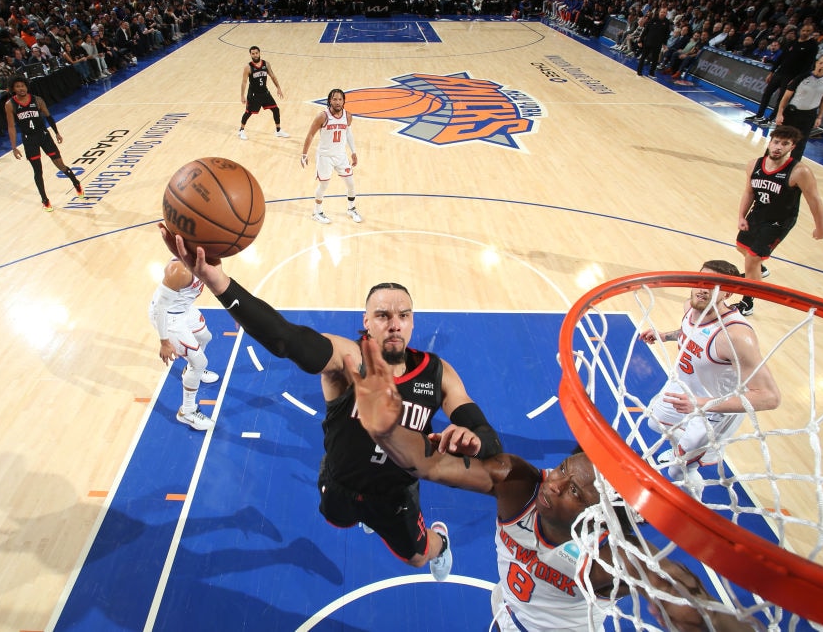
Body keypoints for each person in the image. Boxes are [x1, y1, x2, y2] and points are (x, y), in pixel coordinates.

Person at [344, 336, 755, 632]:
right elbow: (429, 465)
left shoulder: (612, 554)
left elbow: (680, 595)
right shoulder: (521, 484)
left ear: (598, 514)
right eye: (560, 470)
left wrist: (706, 618)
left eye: (574, 491)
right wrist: (384, 430)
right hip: (506, 617)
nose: (554, 484)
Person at [161, 227, 504, 581]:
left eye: (404, 315)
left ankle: (441, 543)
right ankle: (365, 518)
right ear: (366, 322)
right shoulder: (348, 360)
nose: (395, 324)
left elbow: (488, 440)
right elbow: (285, 339)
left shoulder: (438, 373)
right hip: (340, 481)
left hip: (394, 495)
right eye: (383, 316)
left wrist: (475, 440)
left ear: (412, 321)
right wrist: (218, 282)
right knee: (339, 518)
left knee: (418, 558)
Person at [640, 260, 781, 490]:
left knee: (679, 470)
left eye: (714, 286)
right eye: (702, 281)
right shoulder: (691, 307)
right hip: (684, 390)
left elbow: (769, 397)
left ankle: (694, 496)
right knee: (655, 423)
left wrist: (703, 403)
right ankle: (682, 449)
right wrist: (665, 335)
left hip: (713, 410)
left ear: (728, 293)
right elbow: (689, 333)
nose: (703, 288)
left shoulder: (735, 336)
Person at [734, 125, 823, 316]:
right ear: (770, 142)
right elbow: (749, 191)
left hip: (779, 221)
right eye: (776, 142)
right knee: (742, 247)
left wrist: (820, 227)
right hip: (758, 214)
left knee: (752, 259)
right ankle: (759, 269)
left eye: (785, 144)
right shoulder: (754, 164)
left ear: (792, 147)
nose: (778, 147)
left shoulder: (800, 172)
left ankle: (748, 302)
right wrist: (741, 216)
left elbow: (814, 200)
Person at [148, 258, 221, 431]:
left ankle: (190, 370)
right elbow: (160, 309)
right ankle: (187, 412)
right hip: (169, 318)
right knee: (200, 362)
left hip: (184, 310)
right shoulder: (180, 271)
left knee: (205, 337)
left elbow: (218, 284)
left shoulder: (209, 257)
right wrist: (164, 342)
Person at [4, 76, 86, 212]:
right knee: (38, 171)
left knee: (60, 164)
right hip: (29, 140)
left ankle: (76, 183)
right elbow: (11, 127)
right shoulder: (10, 105)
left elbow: (48, 116)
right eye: (17, 86)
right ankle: (45, 200)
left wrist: (56, 132)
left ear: (27, 86)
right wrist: (13, 147)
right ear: (13, 88)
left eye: (23, 85)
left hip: (44, 136)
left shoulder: (37, 100)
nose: (21, 88)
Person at [300, 88, 361, 225]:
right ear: (329, 101)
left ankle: (351, 209)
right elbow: (310, 134)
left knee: (351, 184)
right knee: (324, 185)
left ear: (344, 101)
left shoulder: (348, 116)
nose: (338, 102)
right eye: (335, 99)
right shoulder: (322, 116)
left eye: (340, 99)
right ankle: (317, 212)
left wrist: (354, 152)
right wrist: (304, 154)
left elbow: (348, 133)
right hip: (325, 156)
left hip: (341, 156)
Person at [745, 24, 817, 126]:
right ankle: (759, 115)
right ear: (800, 31)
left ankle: (771, 119)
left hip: (791, 76)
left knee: (781, 99)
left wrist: (797, 79)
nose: (805, 32)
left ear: (811, 32)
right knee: (767, 93)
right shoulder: (793, 42)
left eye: (808, 31)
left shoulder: (812, 46)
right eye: (804, 30)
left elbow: (808, 65)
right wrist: (772, 72)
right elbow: (781, 58)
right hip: (780, 73)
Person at [773, 54, 823, 163]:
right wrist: (780, 113)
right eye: (820, 62)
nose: (822, 65)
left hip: (809, 115)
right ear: (816, 63)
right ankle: (769, 161)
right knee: (779, 138)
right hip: (792, 112)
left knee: (800, 143)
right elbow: (786, 97)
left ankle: (792, 167)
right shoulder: (802, 77)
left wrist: (819, 116)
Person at [239, 46, 289, 140]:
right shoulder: (248, 67)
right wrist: (242, 95)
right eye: (253, 53)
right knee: (248, 112)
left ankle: (278, 130)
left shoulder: (266, 64)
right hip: (254, 95)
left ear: (259, 53)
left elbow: (273, 76)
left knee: (276, 109)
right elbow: (244, 82)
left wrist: (278, 88)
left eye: (256, 53)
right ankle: (241, 130)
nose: (255, 55)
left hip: (265, 93)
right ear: (250, 54)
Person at [636, 7, 671, 77]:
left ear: (666, 13)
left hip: (658, 44)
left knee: (655, 60)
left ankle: (651, 73)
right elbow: (645, 30)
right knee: (643, 57)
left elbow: (666, 34)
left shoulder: (667, 22)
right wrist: (640, 40)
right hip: (648, 42)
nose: (663, 13)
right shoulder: (653, 19)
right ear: (659, 12)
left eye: (664, 12)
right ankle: (639, 72)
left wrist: (664, 44)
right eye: (662, 12)